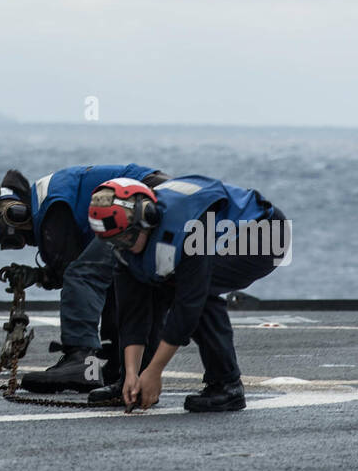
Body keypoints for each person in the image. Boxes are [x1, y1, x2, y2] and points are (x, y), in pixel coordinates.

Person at [87, 175, 290, 412]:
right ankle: (133, 384)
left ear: (147, 217)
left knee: (196, 291)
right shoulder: (125, 246)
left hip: (263, 234)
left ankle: (226, 384)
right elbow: (133, 311)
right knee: (150, 285)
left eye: (127, 237)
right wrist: (133, 372)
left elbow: (189, 304)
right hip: (213, 237)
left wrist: (155, 371)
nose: (126, 246)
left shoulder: (187, 225)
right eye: (115, 241)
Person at [0, 162, 167, 394]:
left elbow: (72, 272)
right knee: (116, 278)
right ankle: (120, 368)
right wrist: (39, 275)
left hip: (140, 201)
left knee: (83, 275)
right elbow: (73, 264)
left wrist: (40, 275)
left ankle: (80, 358)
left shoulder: (50, 206)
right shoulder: (49, 200)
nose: (27, 240)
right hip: (158, 200)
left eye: (19, 235)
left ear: (16, 212)